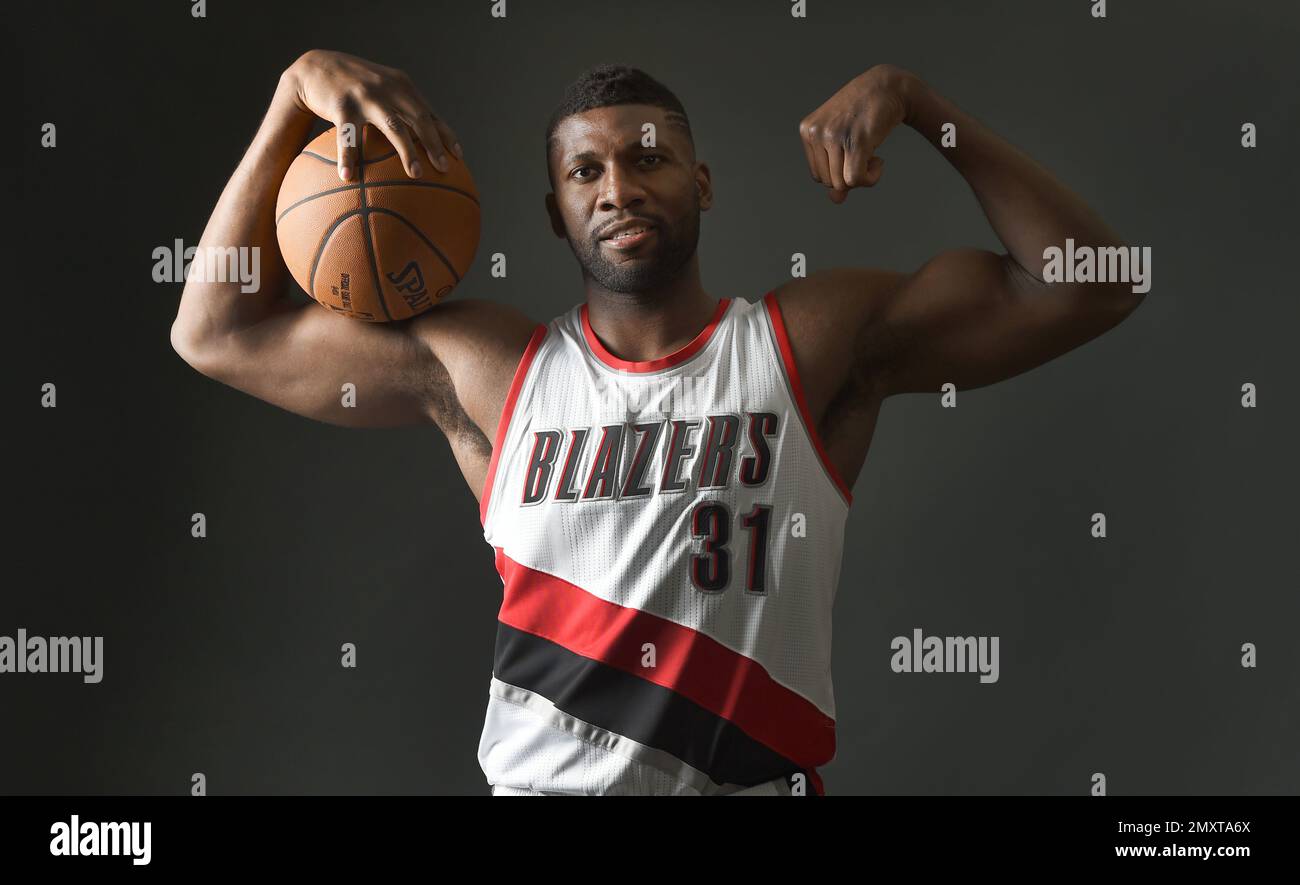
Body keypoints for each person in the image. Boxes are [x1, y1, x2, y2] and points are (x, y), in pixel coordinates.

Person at [170, 49, 1144, 795]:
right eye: (584, 173)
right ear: (555, 212)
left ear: (703, 183)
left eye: (648, 160)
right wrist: (292, 93)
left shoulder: (805, 344)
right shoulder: (487, 370)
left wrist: (919, 103)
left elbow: (1090, 286)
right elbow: (214, 332)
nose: (619, 188)